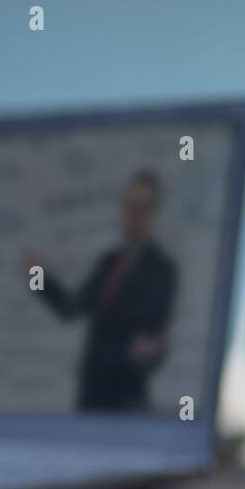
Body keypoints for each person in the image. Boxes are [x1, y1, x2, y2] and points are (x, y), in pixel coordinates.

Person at [27, 170, 178, 409]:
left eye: (141, 209)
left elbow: (152, 345)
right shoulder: (109, 263)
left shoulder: (161, 271)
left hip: (125, 402)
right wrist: (38, 278)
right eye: (129, 208)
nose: (132, 217)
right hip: (91, 395)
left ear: (153, 214)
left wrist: (145, 351)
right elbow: (71, 308)